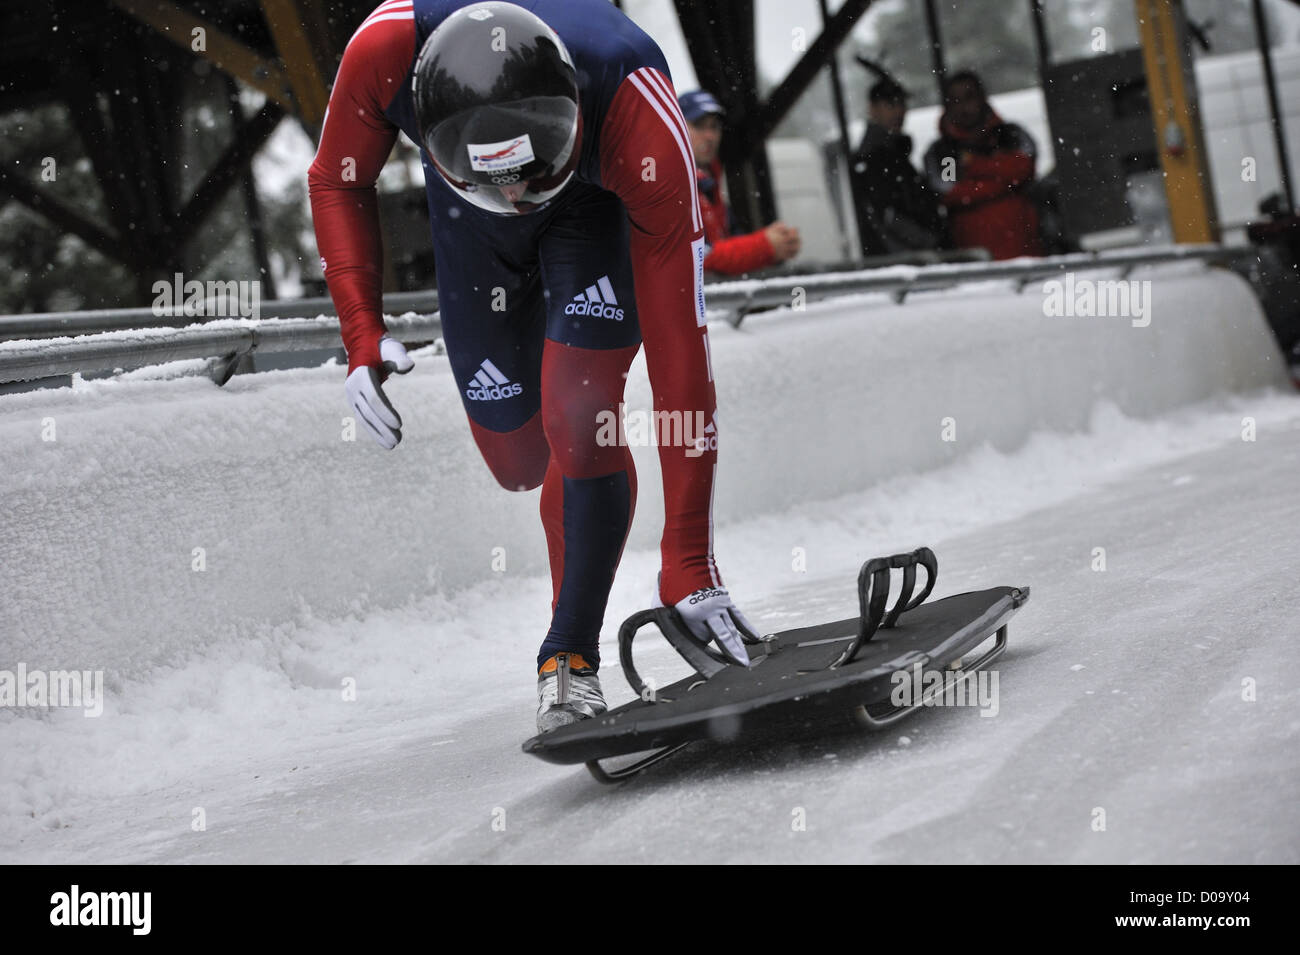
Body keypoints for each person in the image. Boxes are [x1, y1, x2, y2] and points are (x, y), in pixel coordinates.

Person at [308, 0, 759, 735]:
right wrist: (361, 330)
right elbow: (335, 178)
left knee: (580, 416)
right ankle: (579, 486)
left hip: (590, 211)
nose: (516, 197)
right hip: (470, 234)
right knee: (519, 461)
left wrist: (689, 555)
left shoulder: (636, 107)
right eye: (499, 180)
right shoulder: (385, 49)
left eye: (529, 175)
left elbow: (683, 350)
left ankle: (567, 654)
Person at [677, 89, 801, 275]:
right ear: (676, 127)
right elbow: (695, 257)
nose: (710, 136)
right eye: (699, 125)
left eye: (714, 127)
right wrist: (764, 246)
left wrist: (778, 243)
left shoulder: (710, 184)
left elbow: (727, 244)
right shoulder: (670, 187)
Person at [923, 70, 1044, 260]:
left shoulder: (1010, 135)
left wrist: (974, 166)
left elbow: (1024, 168)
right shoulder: (944, 152)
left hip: (1026, 253)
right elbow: (952, 192)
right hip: (976, 262)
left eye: (969, 97)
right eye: (955, 100)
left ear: (982, 98)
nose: (964, 107)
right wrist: (1005, 181)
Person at [848, 72, 945, 255]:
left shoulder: (895, 153)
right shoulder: (873, 159)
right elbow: (886, 217)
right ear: (872, 109)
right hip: (905, 261)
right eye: (890, 104)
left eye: (902, 104)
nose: (899, 111)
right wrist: (930, 242)